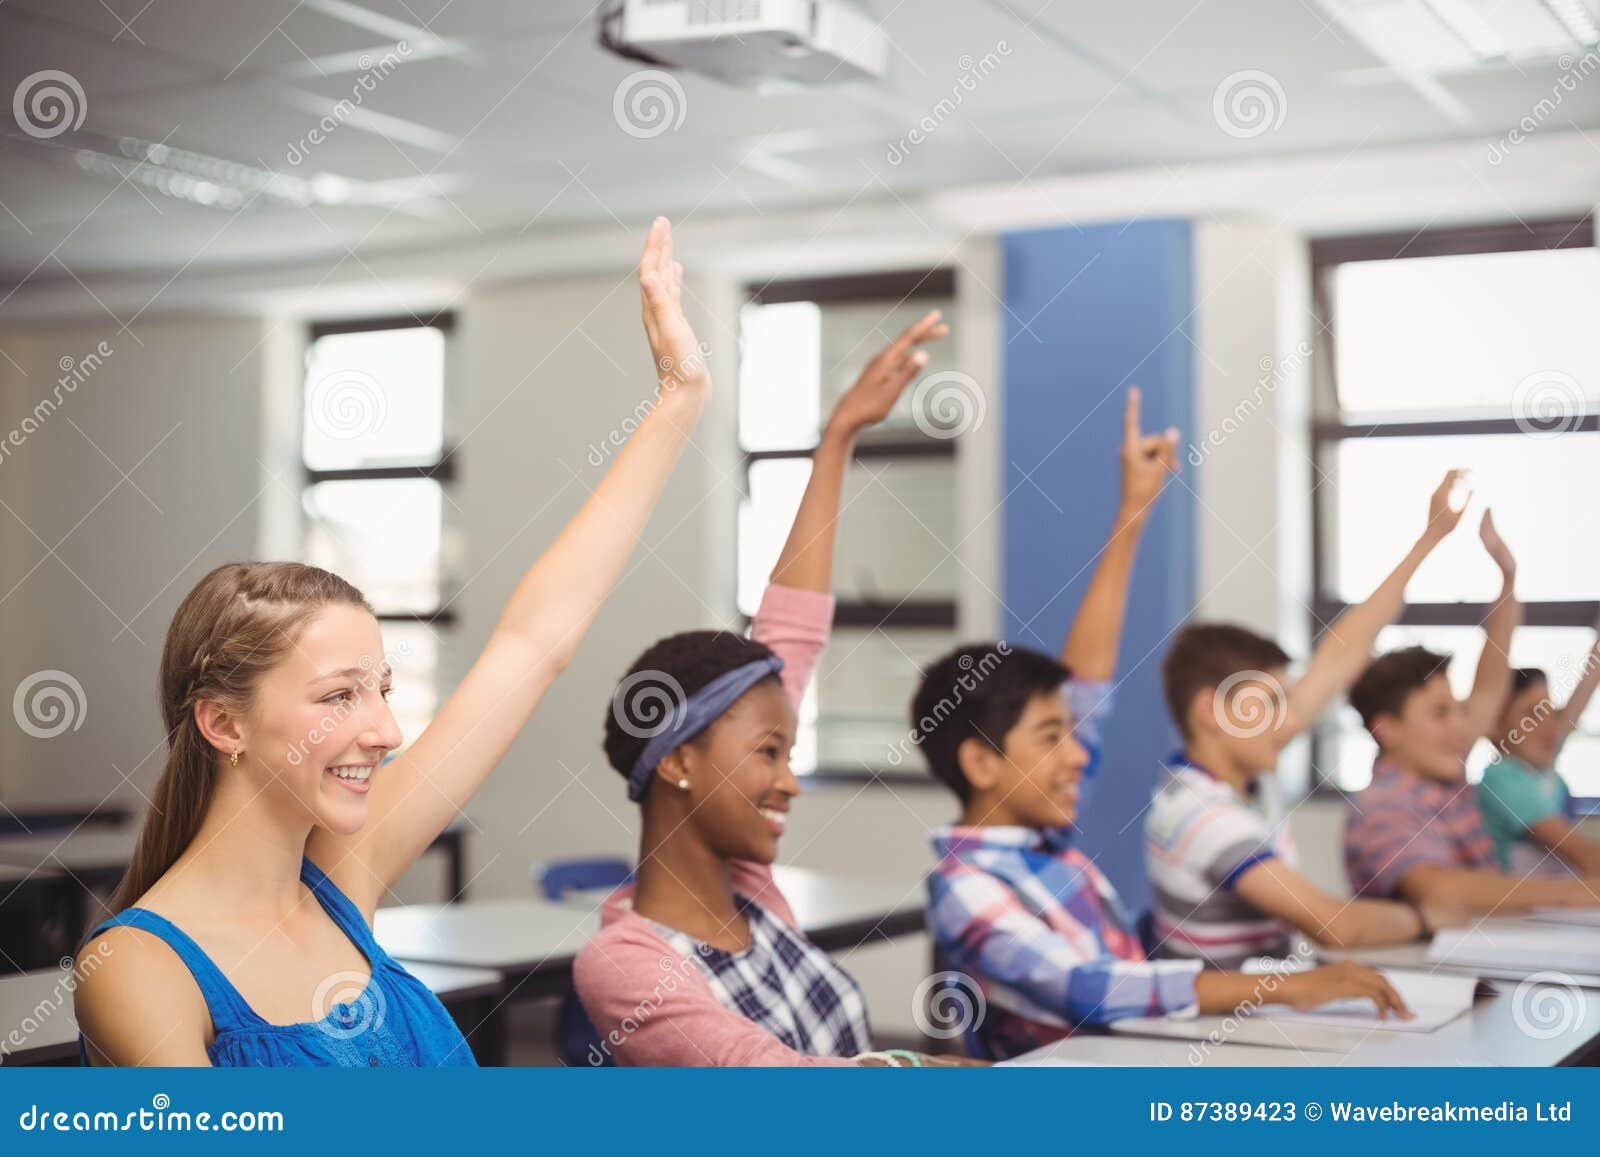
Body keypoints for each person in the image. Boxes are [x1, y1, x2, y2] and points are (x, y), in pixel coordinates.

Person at [75, 219, 710, 1067]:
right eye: (339, 694)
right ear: (223, 723)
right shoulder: (138, 966)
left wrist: (679, 396)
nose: (385, 729)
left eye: (381, 688)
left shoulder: (339, 878)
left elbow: (534, 642)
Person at [918, 392, 1410, 1062]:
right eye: (1050, 736)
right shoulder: (965, 886)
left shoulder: (1040, 834)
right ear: (981, 764)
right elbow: (1085, 988)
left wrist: (1133, 510)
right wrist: (1279, 987)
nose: (1076, 753)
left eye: (1070, 732)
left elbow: (1085, 679)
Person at [575, 311, 971, 1067]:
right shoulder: (624, 963)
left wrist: (841, 435)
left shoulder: (751, 893)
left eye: (788, 751)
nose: (789, 782)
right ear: (678, 760)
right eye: (769, 752)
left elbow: (789, 635)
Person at [1146, 475, 1486, 967]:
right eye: (1270, 703)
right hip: (1229, 1033)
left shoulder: (1241, 771)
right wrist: (1427, 916)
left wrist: (1428, 540)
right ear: (1212, 712)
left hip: (1272, 1005)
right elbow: (1336, 926)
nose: (1290, 720)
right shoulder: (1197, 814)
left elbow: (1340, 655)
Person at [1479, 632, 1600, 877]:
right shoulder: (1502, 778)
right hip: (1516, 912)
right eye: (1533, 714)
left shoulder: (1541, 772)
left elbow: (1582, 695)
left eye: (1550, 713)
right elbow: (1582, 853)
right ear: (1495, 725)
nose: (1549, 727)